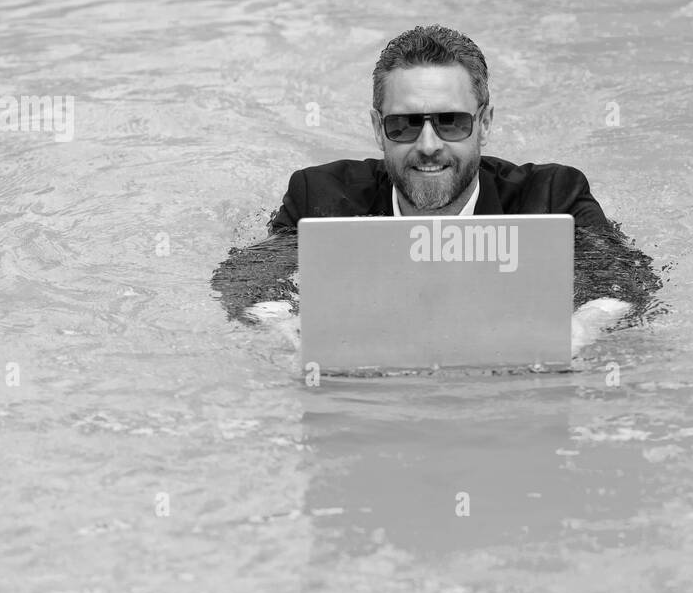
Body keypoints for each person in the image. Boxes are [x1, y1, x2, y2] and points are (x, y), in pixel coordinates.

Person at [212, 24, 661, 353]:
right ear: (377, 128)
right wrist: (283, 328)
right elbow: (247, 279)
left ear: (484, 123)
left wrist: (584, 327)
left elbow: (625, 280)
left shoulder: (551, 198)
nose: (428, 145)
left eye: (451, 122)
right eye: (405, 125)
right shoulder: (321, 198)